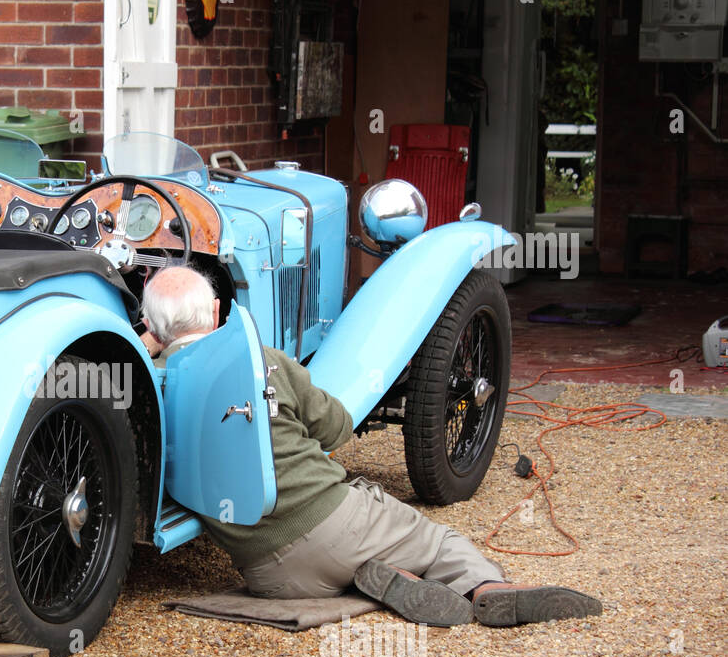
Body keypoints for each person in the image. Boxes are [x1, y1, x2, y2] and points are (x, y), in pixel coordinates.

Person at [139, 265, 602, 627]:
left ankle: (382, 579)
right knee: (440, 540)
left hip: (270, 575)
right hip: (335, 524)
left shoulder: (148, 394)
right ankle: (486, 590)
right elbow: (337, 428)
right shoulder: (266, 364)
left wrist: (146, 347)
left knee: (358, 552)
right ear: (219, 312)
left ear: (153, 329)